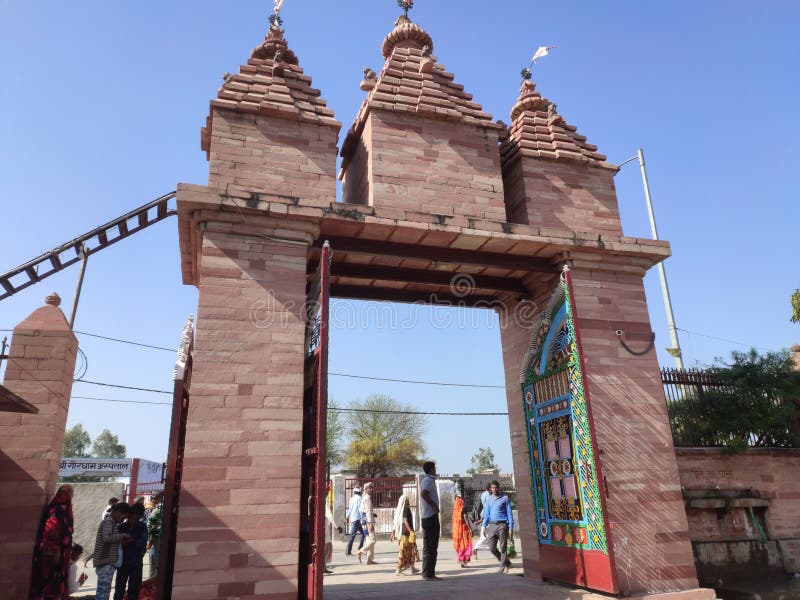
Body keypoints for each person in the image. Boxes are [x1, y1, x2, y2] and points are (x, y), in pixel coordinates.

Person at [30, 484, 75, 600]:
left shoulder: (58, 509)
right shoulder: (58, 510)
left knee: (54, 580)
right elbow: (50, 531)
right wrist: (55, 551)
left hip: (60, 553)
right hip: (53, 553)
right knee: (50, 580)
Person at [93, 502, 132, 600]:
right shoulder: (108, 522)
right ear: (118, 512)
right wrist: (123, 535)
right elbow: (106, 538)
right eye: (123, 517)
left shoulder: (111, 522)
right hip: (105, 561)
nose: (123, 520)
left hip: (107, 561)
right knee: (103, 591)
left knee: (104, 590)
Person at [114, 502, 148, 600]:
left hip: (136, 562)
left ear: (140, 517)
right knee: (119, 589)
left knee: (134, 590)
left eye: (136, 519)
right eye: (131, 518)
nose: (133, 521)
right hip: (122, 563)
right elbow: (115, 542)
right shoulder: (122, 527)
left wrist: (133, 540)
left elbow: (143, 542)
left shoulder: (142, 527)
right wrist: (121, 543)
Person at [482, 480, 514, 574]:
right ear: (490, 489)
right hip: (491, 525)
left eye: (496, 487)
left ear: (499, 488)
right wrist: (484, 526)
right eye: (492, 488)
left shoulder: (505, 498)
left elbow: (510, 514)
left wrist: (511, 527)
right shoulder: (489, 500)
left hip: (502, 525)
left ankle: (501, 567)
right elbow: (487, 514)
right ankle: (506, 562)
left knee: (503, 547)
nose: (494, 489)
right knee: (492, 548)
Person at [419, 461, 440, 581]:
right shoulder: (428, 480)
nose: (435, 470)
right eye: (434, 468)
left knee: (429, 547)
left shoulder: (428, 480)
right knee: (431, 547)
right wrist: (433, 506)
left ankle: (427, 572)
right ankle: (428, 574)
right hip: (430, 517)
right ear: (431, 469)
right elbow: (424, 494)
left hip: (428, 517)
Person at [389, 494, 419, 576]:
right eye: (407, 499)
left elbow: (395, 523)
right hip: (406, 534)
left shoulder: (399, 510)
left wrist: (393, 534)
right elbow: (405, 520)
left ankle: (412, 567)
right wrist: (411, 531)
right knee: (404, 551)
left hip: (403, 533)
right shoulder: (406, 508)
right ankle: (398, 569)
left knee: (411, 551)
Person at [354, 482, 377, 565]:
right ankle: (361, 551)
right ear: (366, 489)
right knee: (373, 540)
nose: (371, 489)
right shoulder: (366, 498)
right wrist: (371, 523)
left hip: (364, 520)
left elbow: (364, 510)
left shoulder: (365, 497)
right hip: (368, 521)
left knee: (369, 540)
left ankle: (369, 560)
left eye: (372, 488)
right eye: (369, 488)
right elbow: (367, 511)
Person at [452, 481, 473, 568]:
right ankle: (464, 562)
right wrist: (470, 528)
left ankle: (462, 561)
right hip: (464, 528)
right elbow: (465, 516)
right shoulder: (462, 503)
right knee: (465, 545)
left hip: (457, 528)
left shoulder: (456, 503)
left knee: (461, 545)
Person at [344, 486, 366, 556]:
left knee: (363, 533)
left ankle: (360, 548)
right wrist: (363, 518)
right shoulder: (360, 499)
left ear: (354, 492)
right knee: (353, 535)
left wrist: (347, 517)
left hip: (353, 518)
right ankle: (348, 551)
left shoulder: (351, 499)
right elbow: (360, 509)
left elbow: (349, 509)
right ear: (360, 492)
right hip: (358, 519)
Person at [146, 493, 163, 577]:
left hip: (158, 539)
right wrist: (149, 540)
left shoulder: (158, 508)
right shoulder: (159, 508)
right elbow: (149, 524)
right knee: (154, 563)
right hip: (156, 539)